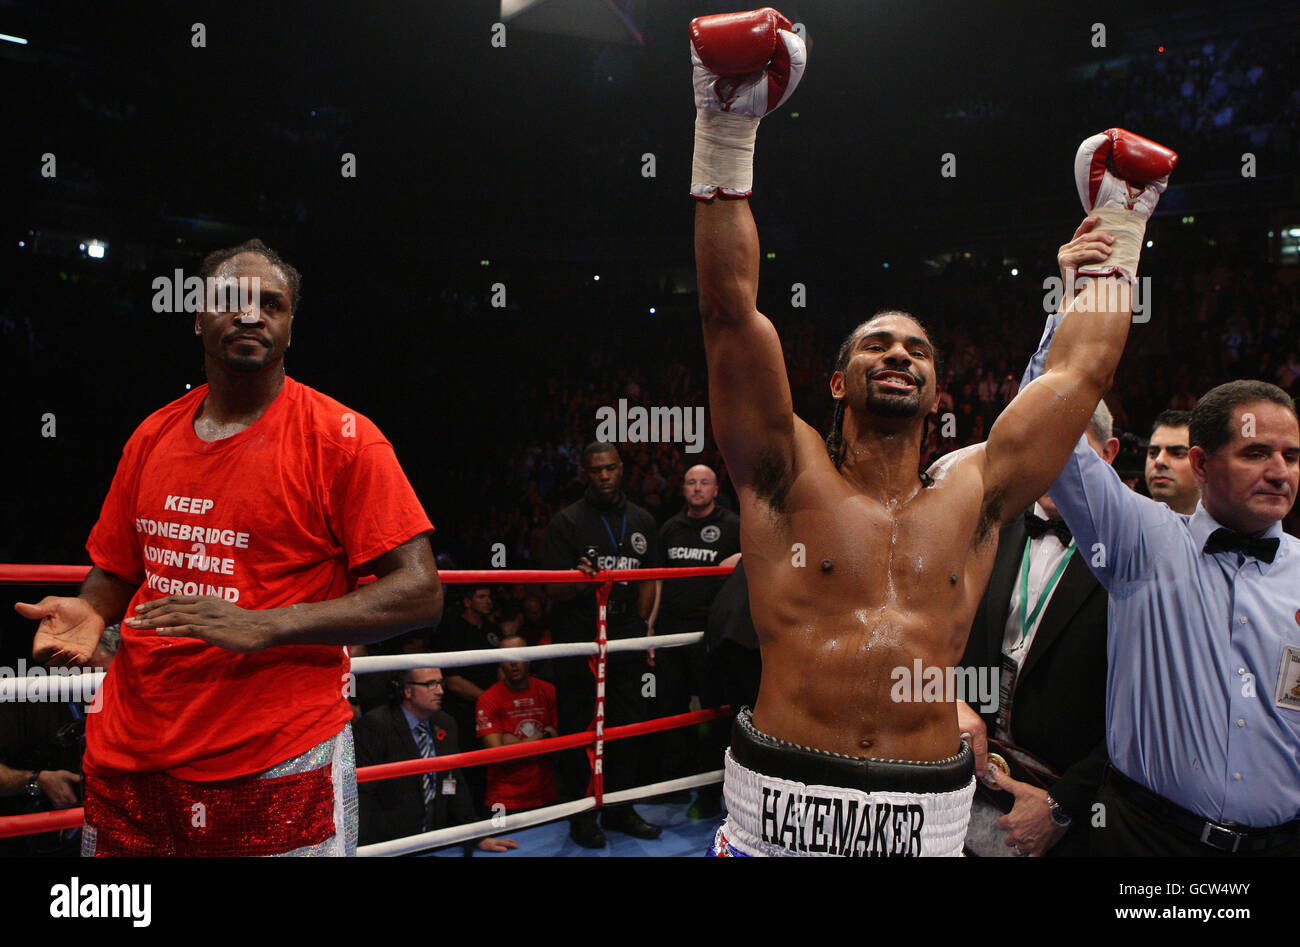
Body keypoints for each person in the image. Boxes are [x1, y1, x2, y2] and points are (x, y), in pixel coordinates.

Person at [688, 7, 1176, 856]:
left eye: (916, 348)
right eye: (877, 343)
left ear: (938, 390)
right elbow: (731, 314)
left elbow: (1078, 376)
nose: (899, 355)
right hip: (780, 805)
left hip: (927, 814)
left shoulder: (977, 491)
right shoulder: (783, 470)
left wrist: (1119, 233)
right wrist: (725, 128)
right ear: (838, 380)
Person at [13, 239, 442, 856]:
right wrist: (93, 610)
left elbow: (420, 592)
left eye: (271, 303)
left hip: (276, 755)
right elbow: (114, 570)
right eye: (231, 301)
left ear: (290, 327)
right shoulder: (151, 436)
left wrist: (265, 625)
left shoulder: (345, 439)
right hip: (131, 754)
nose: (250, 315)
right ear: (197, 316)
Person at [1026, 331, 1300, 854]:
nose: (1280, 472)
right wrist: (1080, 297)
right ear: (1201, 464)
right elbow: (1045, 425)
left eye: (1292, 455)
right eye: (1257, 453)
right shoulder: (1142, 540)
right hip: (1147, 838)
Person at [958, 403, 1119, 857]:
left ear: (1107, 454)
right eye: (1044, 449)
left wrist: (1063, 806)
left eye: (1072, 450)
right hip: (964, 786)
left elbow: (1146, 713)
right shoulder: (985, 527)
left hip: (1069, 813)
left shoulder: (1137, 554)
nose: (1054, 465)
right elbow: (929, 637)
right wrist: (944, 698)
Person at [543, 441, 664, 848]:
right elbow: (546, 589)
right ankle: (580, 815)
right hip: (578, 640)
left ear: (621, 469)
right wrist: (574, 579)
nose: (604, 476)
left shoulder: (642, 519)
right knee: (579, 727)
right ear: (585, 473)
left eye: (610, 468)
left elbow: (649, 579)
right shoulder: (567, 523)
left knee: (626, 724)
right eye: (596, 470)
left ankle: (620, 807)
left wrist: (643, 629)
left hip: (625, 637)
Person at [354, 667, 517, 854]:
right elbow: (363, 792)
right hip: (389, 843)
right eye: (430, 684)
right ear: (407, 690)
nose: (440, 690)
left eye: (440, 683)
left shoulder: (446, 723)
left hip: (433, 841)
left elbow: (455, 781)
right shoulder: (376, 725)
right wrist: (360, 848)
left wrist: (476, 835)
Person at [650, 464, 741, 789]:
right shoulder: (669, 528)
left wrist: (741, 556)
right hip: (671, 632)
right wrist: (650, 628)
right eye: (691, 482)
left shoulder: (732, 526)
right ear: (683, 488)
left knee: (713, 706)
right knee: (670, 705)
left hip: (712, 633)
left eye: (704, 483)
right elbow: (657, 580)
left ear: (716, 489)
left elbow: (756, 560)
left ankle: (713, 781)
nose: (697, 488)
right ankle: (673, 782)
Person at [476, 635, 559, 814]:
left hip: (546, 793)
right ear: (500, 662)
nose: (513, 663)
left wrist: (515, 746)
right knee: (502, 841)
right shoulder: (488, 699)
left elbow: (560, 742)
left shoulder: (548, 690)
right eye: (507, 657)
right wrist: (542, 735)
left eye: (519, 655)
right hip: (503, 800)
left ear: (529, 658)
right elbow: (499, 757)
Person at [1145, 409, 1200, 513]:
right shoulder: (1126, 522)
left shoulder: (1229, 524)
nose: (1159, 461)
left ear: (1201, 463)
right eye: (1153, 453)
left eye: (1177, 453)